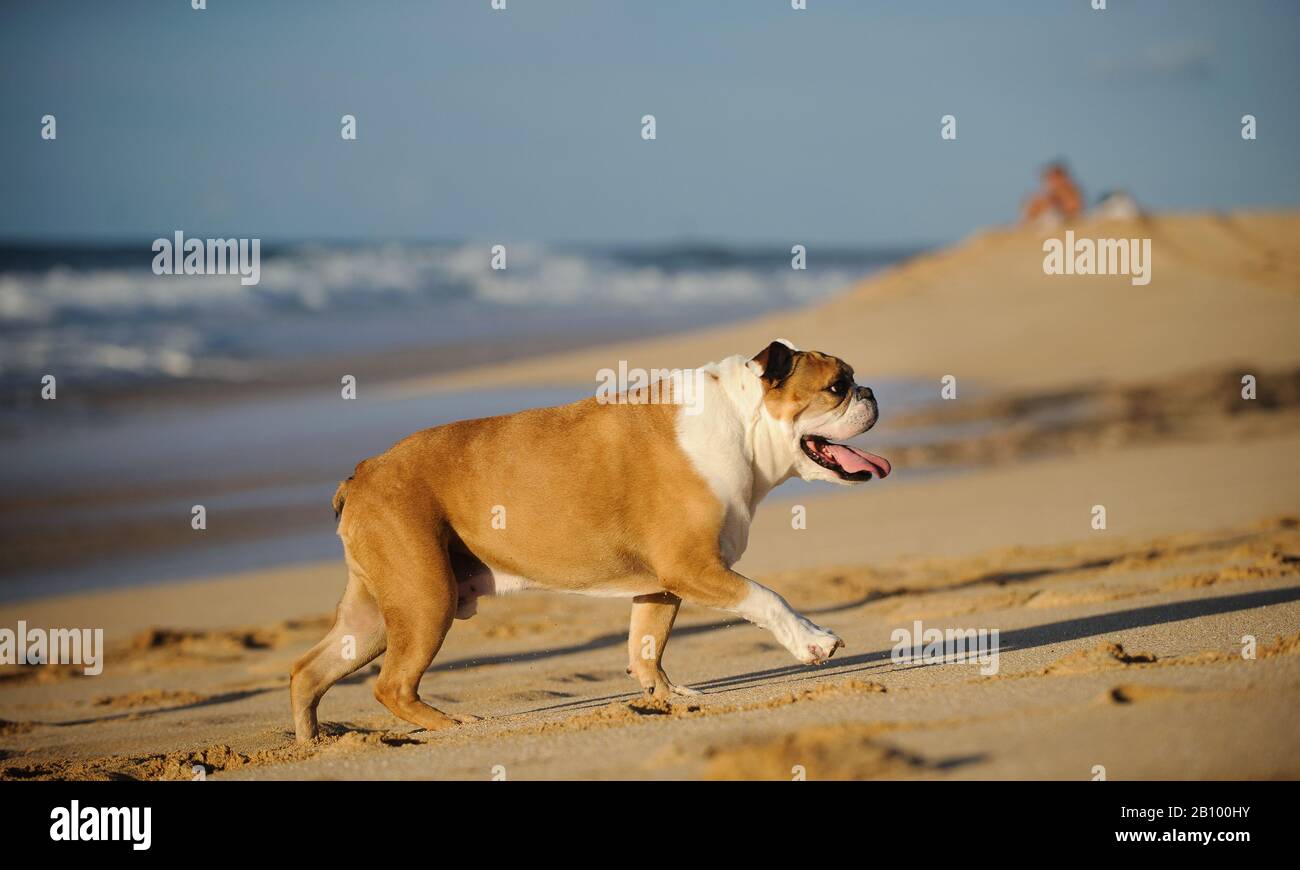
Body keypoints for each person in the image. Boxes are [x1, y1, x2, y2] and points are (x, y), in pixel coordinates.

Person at [1021, 161, 1084, 225]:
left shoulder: (1069, 190)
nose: (1050, 183)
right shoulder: (1047, 197)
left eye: (1052, 178)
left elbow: (1074, 209)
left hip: (1066, 222)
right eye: (1049, 179)